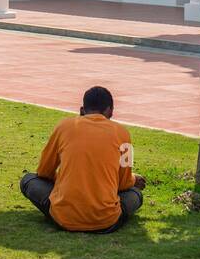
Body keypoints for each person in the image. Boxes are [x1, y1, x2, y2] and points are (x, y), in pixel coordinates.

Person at [20, 86, 146, 234]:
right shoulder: (124, 134)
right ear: (111, 111)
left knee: (28, 179)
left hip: (64, 218)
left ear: (81, 110)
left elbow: (43, 172)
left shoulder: (63, 126)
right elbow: (124, 183)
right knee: (135, 195)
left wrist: (65, 180)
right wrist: (133, 179)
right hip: (106, 221)